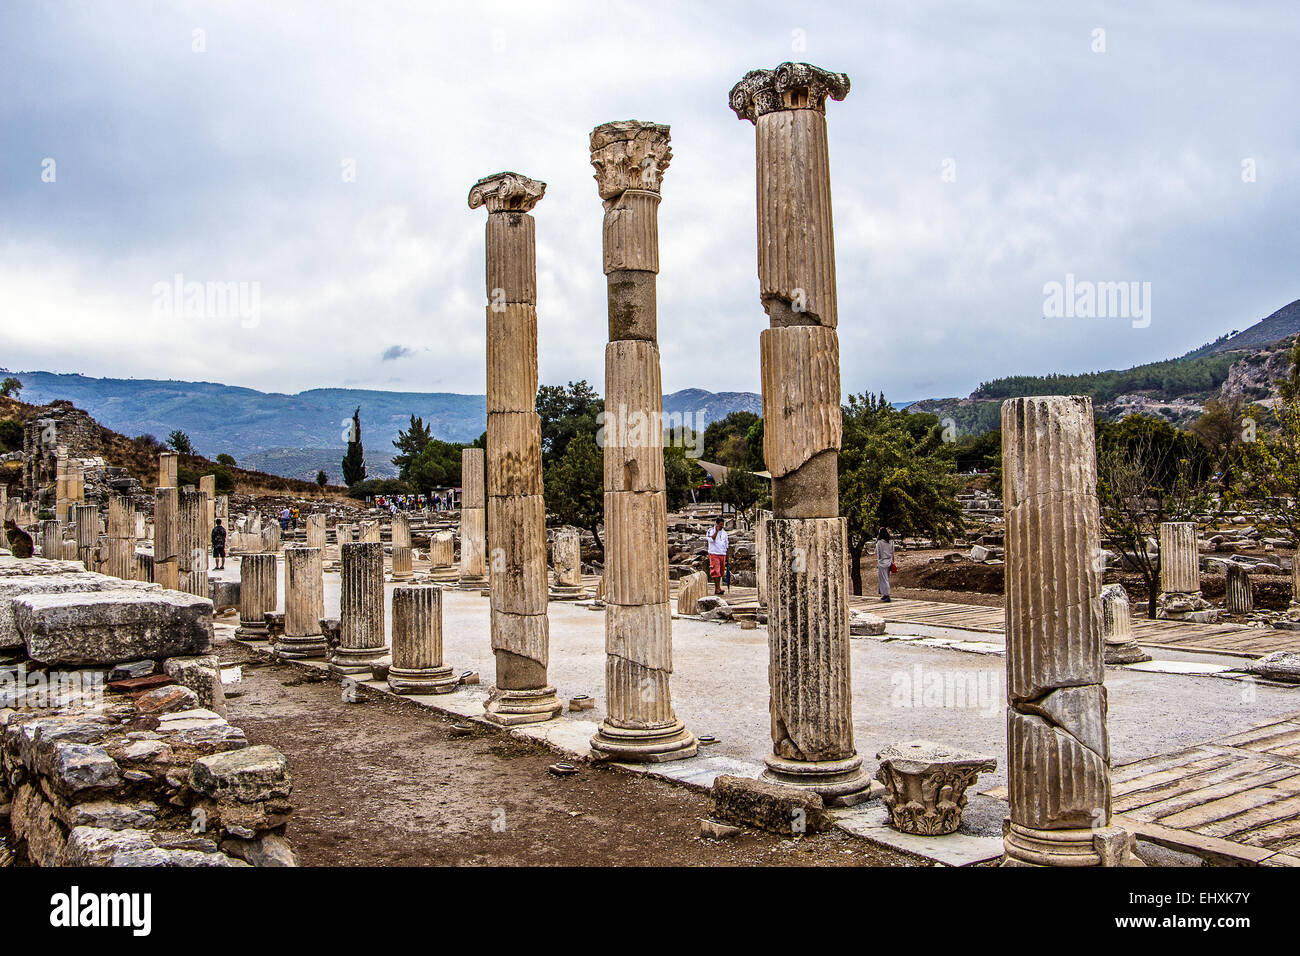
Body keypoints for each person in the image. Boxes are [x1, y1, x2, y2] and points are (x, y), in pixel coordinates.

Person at [706, 516, 729, 595]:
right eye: (720, 524)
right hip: (714, 553)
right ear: (717, 524)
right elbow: (712, 539)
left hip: (722, 553)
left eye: (723, 525)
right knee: (716, 571)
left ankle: (717, 588)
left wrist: (727, 557)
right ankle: (718, 588)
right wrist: (716, 531)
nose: (722, 526)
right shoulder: (710, 531)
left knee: (721, 572)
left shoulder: (725, 533)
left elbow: (726, 545)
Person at [875, 527, 896, 602]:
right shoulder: (891, 542)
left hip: (882, 562)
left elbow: (877, 553)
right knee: (886, 578)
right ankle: (884, 593)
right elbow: (893, 552)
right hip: (889, 561)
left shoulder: (879, 543)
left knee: (884, 579)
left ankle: (887, 594)